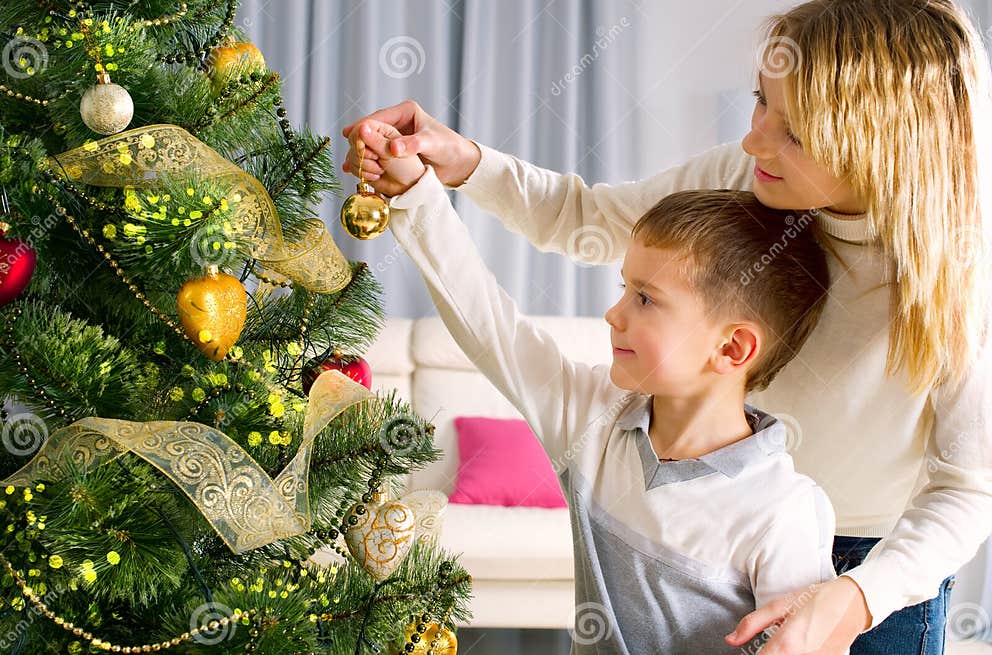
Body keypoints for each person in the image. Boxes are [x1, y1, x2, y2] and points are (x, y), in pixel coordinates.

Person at [343, 1, 992, 654]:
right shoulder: (749, 177)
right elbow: (582, 216)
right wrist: (462, 165)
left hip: (879, 563)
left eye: (793, 133)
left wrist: (858, 597)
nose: (753, 140)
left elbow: (967, 488)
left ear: (877, 146)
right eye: (759, 102)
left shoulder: (965, 266)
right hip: (720, 506)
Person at [352, 117, 837, 653]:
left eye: (646, 299)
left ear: (732, 349)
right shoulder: (594, 420)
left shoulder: (782, 510)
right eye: (624, 289)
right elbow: (488, 322)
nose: (614, 314)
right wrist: (416, 193)